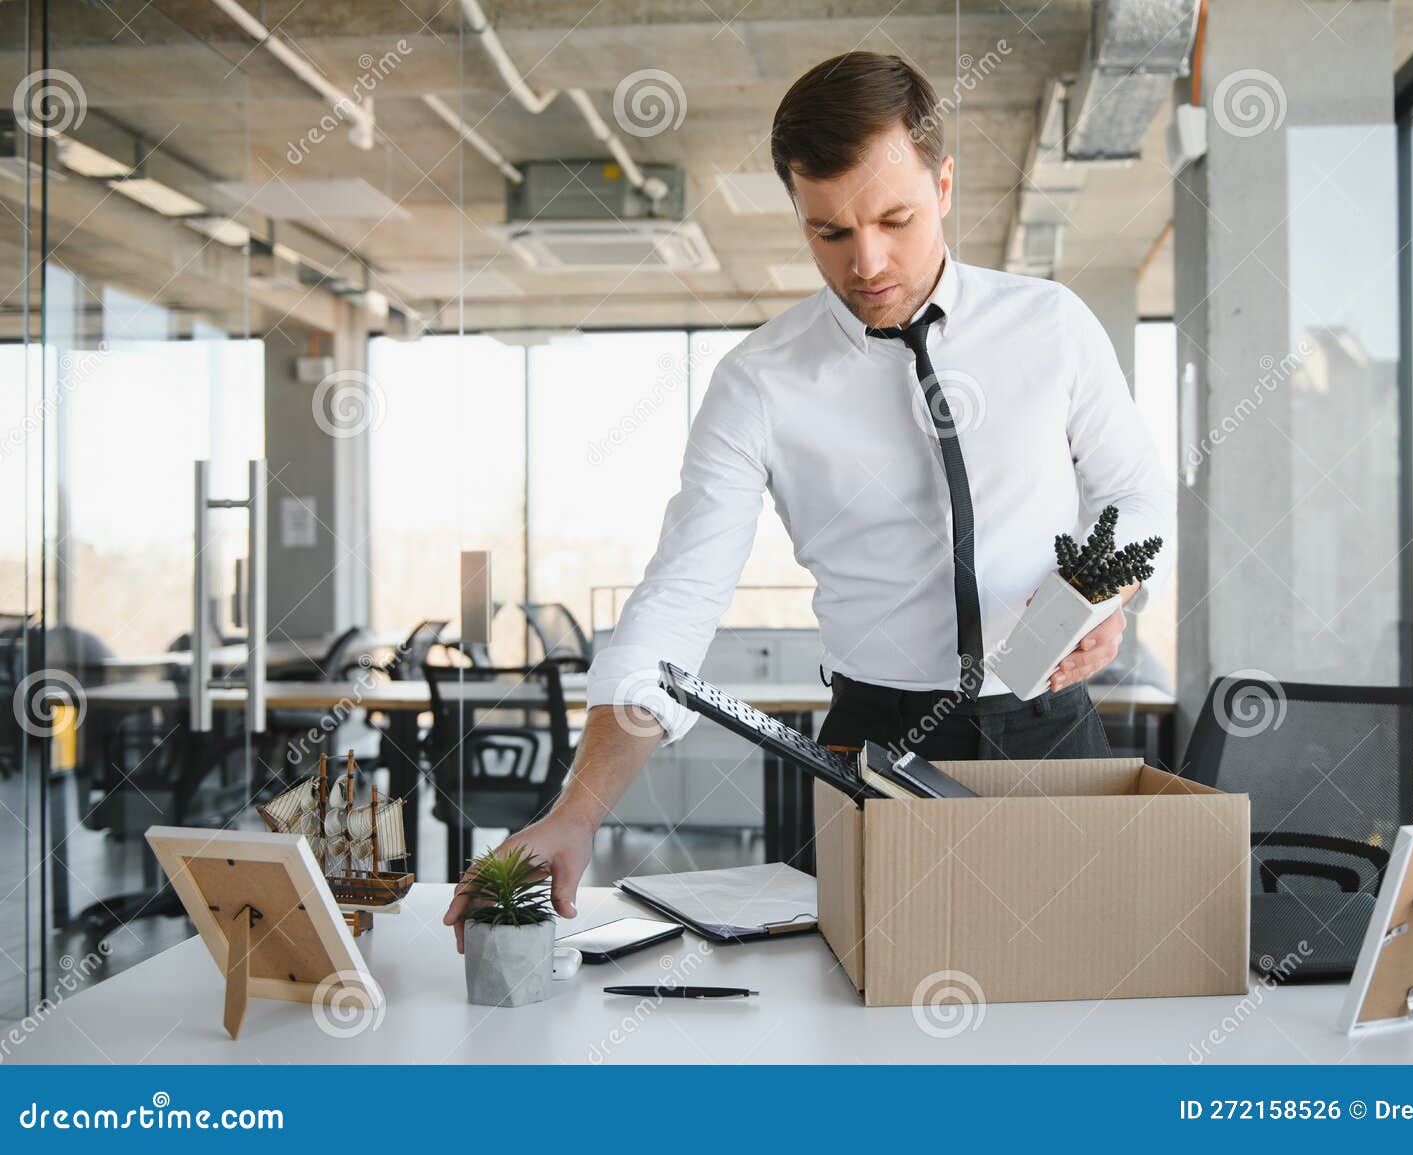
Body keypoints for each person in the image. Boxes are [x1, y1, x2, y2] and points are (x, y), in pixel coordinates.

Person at [445, 50, 1172, 949]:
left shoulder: (1052, 325)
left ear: (944, 184)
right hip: (874, 744)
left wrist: (1110, 595)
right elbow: (676, 604)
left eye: (895, 219)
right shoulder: (759, 382)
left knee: (1083, 984)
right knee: (858, 1009)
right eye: (828, 232)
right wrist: (577, 813)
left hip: (1049, 731)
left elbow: (1135, 493)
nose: (867, 262)